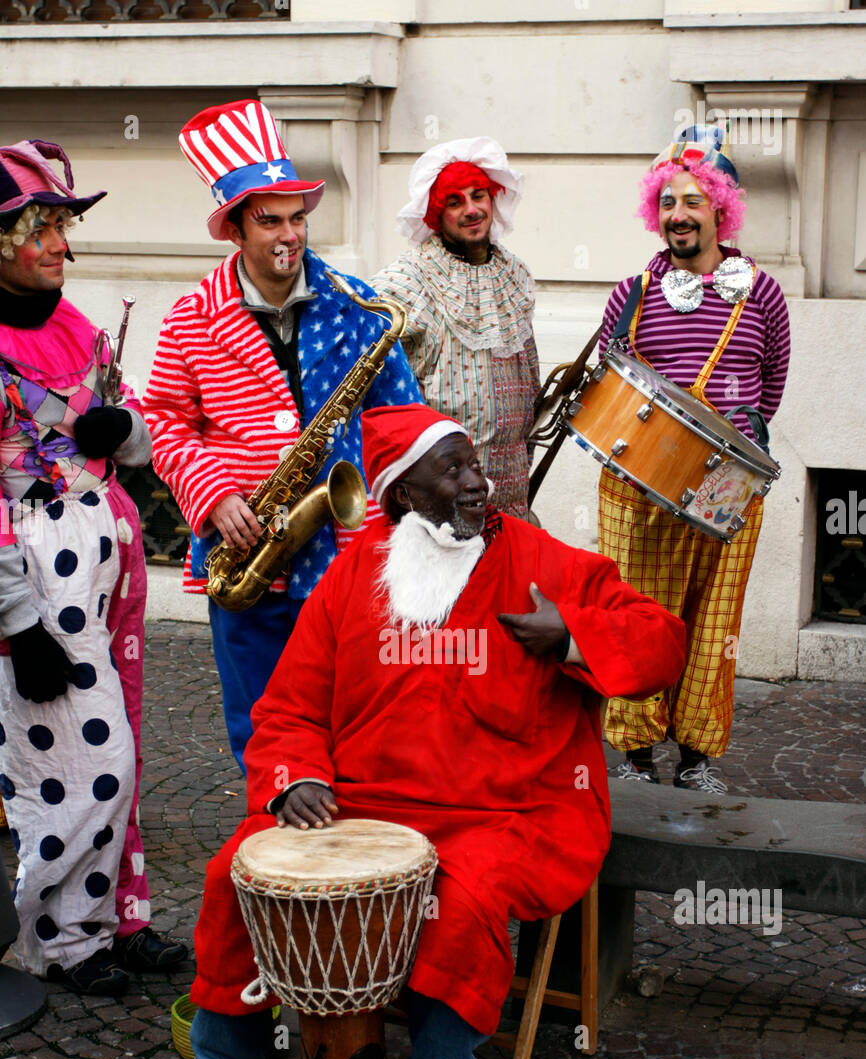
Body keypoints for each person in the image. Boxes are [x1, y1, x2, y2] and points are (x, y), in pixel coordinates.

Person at [143, 402, 685, 1059]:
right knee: (234, 872)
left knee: (459, 904)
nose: (480, 481)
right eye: (454, 469)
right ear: (401, 492)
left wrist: (569, 632)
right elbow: (289, 708)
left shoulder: (540, 561)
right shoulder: (352, 580)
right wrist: (298, 776)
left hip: (506, 809)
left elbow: (662, 639)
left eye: (476, 464)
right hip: (360, 804)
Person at [144, 100, 421, 771]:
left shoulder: (356, 305)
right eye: (270, 219)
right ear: (235, 227)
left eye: (298, 217)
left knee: (353, 724)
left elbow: (404, 416)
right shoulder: (189, 319)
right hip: (245, 558)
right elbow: (164, 422)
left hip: (347, 558)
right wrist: (213, 497)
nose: (290, 234)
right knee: (261, 725)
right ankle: (272, 853)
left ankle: (348, 863)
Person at [0, 138, 186, 996]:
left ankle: (116, 917)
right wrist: (18, 619)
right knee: (77, 764)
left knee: (124, 754)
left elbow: (132, 430)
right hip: (42, 583)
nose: (62, 248)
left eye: (62, 230)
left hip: (108, 562)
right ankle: (59, 936)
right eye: (44, 230)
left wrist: (121, 435)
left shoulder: (75, 325)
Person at [597, 125, 790, 794]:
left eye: (692, 201)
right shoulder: (633, 294)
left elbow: (771, 385)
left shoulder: (761, 293)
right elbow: (609, 380)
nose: (678, 215)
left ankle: (698, 758)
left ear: (719, 209)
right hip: (638, 484)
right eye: (667, 203)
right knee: (639, 618)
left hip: (729, 482)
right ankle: (637, 756)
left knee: (713, 620)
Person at [372, 138, 539, 520]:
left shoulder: (515, 275)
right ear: (435, 214)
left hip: (512, 488)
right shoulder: (406, 280)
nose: (471, 210)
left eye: (478, 195)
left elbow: (530, 376)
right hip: (437, 495)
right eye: (454, 201)